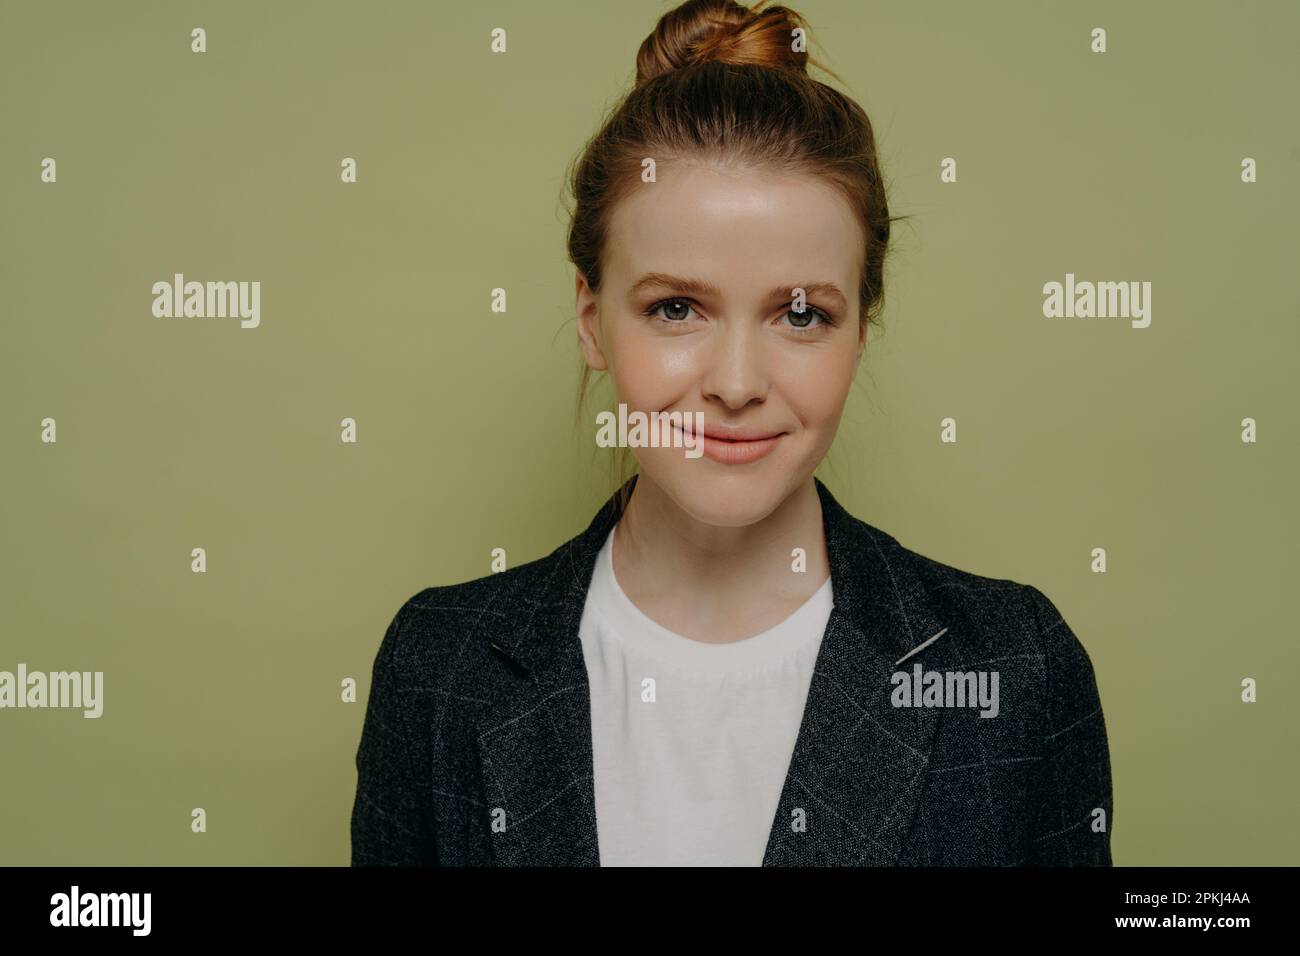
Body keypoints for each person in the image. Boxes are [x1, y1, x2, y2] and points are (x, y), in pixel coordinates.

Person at [351, 0, 1113, 866]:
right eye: (676, 308)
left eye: (802, 315)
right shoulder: (438, 669)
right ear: (592, 319)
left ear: (862, 328)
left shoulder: (1016, 668)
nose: (738, 385)